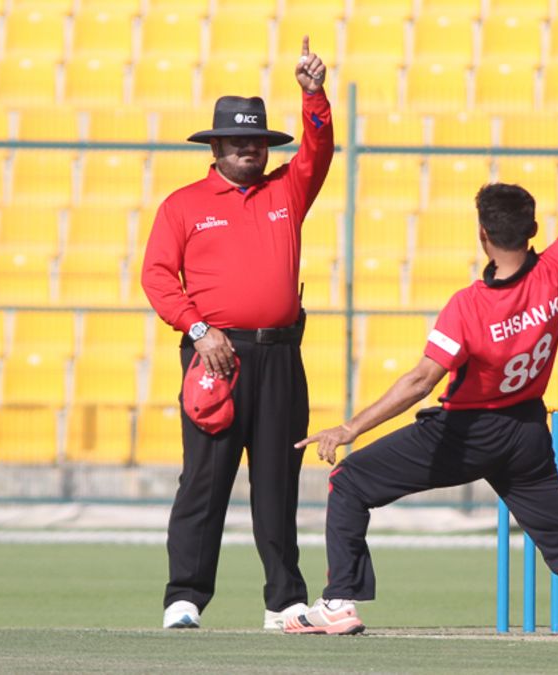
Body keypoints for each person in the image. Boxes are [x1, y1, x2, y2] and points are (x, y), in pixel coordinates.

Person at [282, 73, 558, 639]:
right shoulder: (556, 273)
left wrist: (350, 427)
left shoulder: (469, 305)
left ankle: (338, 602)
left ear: (483, 235)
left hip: (465, 432)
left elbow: (421, 381)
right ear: (533, 231)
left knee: (350, 484)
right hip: (528, 432)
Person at [141, 37, 333, 630]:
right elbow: (155, 277)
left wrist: (313, 95)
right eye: (239, 141)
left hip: (279, 356)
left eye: (258, 140)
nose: (250, 149)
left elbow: (319, 151)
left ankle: (284, 601)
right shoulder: (184, 204)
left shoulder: (286, 190)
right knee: (205, 479)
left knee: (278, 482)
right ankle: (184, 597)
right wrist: (199, 330)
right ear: (217, 146)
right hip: (215, 356)